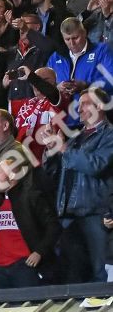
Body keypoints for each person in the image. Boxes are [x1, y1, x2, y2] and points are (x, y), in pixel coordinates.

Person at [48, 88, 113, 283]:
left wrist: (64, 148)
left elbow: (96, 165)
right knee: (74, 274)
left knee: (99, 272)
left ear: (100, 107)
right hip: (69, 216)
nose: (80, 108)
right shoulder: (76, 137)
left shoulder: (109, 135)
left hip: (95, 213)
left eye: (85, 103)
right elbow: (53, 171)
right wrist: (52, 149)